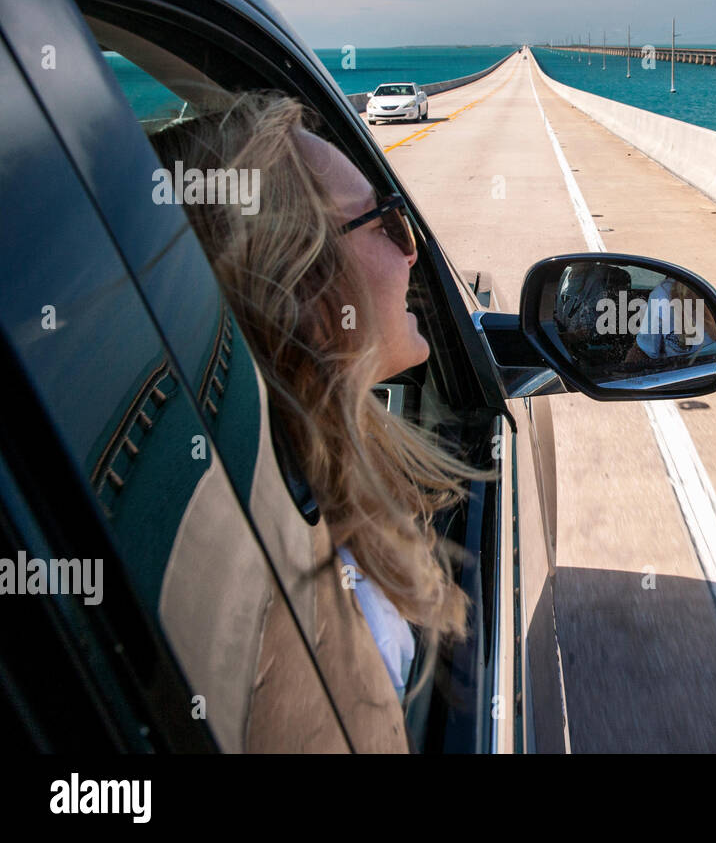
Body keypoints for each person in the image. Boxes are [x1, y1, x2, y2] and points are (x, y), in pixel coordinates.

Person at [149, 92, 475, 747]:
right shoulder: (296, 532)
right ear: (301, 287)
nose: (413, 252)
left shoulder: (264, 478)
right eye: (387, 222)